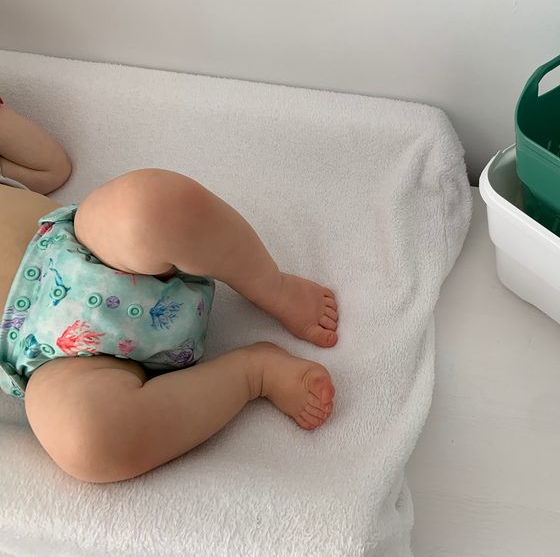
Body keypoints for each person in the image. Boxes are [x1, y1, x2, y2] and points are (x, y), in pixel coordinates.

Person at [0, 97, 337, 483]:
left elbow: (49, 167)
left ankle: (273, 286)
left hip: (86, 251)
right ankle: (252, 374)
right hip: (52, 360)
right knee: (88, 443)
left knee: (148, 204)